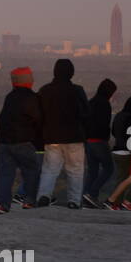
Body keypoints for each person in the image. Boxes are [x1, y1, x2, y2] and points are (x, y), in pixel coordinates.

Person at [34, 58, 88, 209]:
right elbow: (86, 113)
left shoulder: (45, 90)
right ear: (71, 73)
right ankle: (74, 201)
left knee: (50, 169)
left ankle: (44, 195)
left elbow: (38, 115)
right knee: (76, 170)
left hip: (52, 137)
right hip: (74, 136)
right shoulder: (77, 90)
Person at [0, 67, 42, 214]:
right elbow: (38, 119)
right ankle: (29, 201)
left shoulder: (10, 97)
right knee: (32, 171)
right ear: (28, 81)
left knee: (5, 174)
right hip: (23, 141)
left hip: (4, 141)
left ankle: (2, 205)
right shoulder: (31, 98)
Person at [82, 78, 117, 208]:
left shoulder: (90, 102)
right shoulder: (105, 104)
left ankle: (85, 197)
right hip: (99, 141)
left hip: (88, 142)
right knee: (108, 168)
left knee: (92, 171)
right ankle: (92, 193)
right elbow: (104, 125)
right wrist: (106, 138)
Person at [107, 95, 131, 210]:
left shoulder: (118, 115)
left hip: (116, 150)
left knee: (122, 178)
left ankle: (117, 203)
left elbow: (113, 132)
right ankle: (119, 203)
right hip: (126, 152)